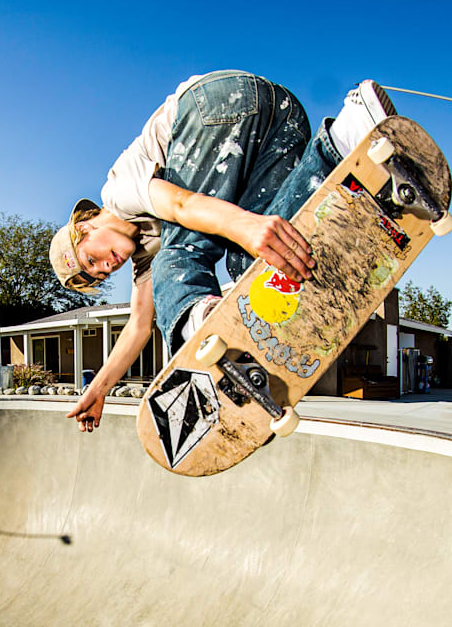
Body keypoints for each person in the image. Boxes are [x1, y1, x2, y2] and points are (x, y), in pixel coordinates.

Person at [50, 72, 396, 431]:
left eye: (93, 258)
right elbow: (139, 325)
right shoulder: (144, 254)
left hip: (218, 105)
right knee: (254, 264)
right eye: (102, 273)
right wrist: (99, 388)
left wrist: (244, 229)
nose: (108, 265)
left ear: (85, 226)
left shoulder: (119, 192)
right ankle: (346, 136)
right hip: (281, 118)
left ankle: (204, 328)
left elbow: (182, 205)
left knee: (181, 253)